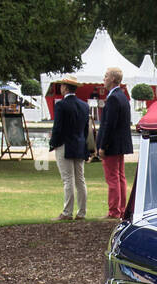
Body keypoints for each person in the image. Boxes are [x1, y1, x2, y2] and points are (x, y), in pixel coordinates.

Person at [48, 76, 89, 221]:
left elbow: (58, 128)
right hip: (79, 144)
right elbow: (86, 129)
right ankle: (81, 212)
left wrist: (53, 143)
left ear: (65, 88)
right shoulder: (84, 105)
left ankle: (67, 212)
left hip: (65, 144)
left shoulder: (61, 105)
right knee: (80, 179)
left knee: (68, 179)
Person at [96, 66, 133, 220]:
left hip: (111, 145)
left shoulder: (113, 98)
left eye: (105, 76)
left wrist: (102, 146)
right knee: (120, 177)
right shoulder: (123, 96)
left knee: (112, 178)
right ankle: (122, 208)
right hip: (121, 144)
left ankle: (114, 210)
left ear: (112, 79)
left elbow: (108, 125)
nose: (103, 79)